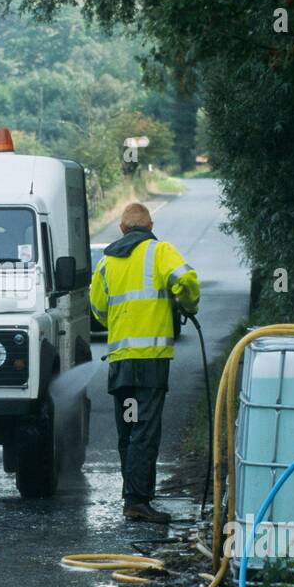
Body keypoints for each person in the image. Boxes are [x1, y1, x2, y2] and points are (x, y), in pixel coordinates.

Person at [89, 202, 200, 524]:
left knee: (129, 429)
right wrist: (187, 304)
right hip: (150, 363)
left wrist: (120, 322)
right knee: (145, 432)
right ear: (150, 226)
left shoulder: (107, 262)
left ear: (122, 229)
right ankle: (137, 500)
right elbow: (187, 281)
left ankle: (133, 495)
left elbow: (98, 308)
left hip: (122, 363)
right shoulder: (159, 251)